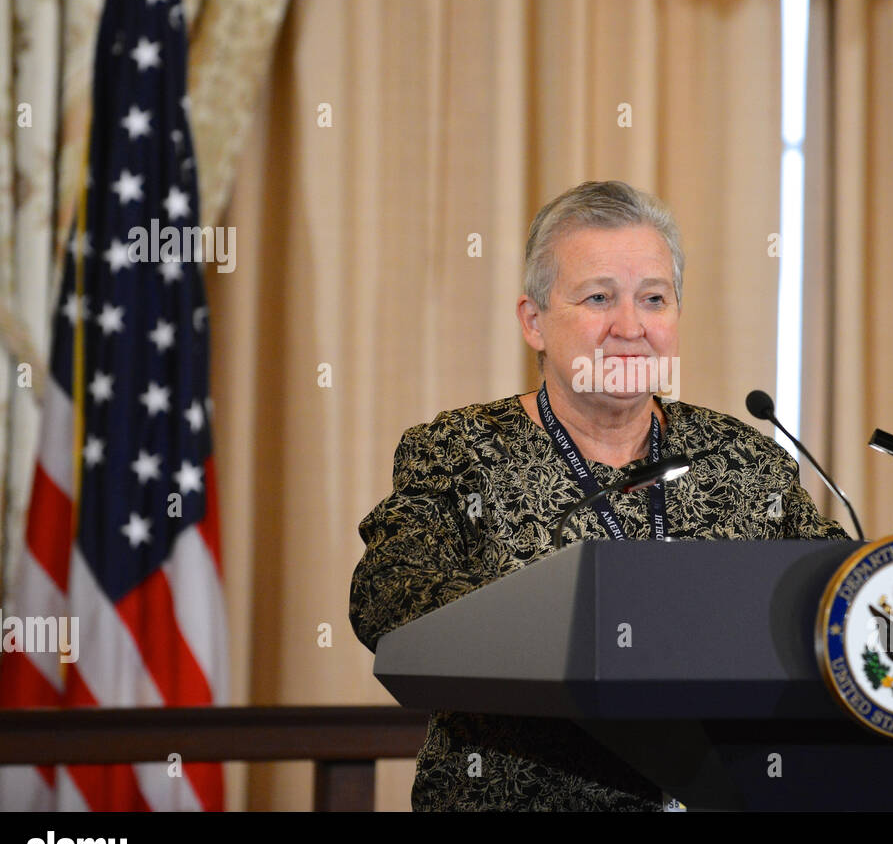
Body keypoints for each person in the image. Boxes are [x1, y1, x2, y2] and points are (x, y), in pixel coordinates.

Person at [348, 180, 851, 811]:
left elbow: (838, 595)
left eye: (654, 299)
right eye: (598, 298)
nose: (630, 327)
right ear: (534, 321)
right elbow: (386, 595)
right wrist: (574, 629)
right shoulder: (460, 451)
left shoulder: (743, 460)